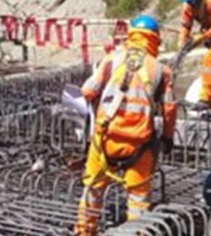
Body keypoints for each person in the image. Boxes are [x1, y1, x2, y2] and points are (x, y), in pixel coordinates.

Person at [75, 15, 176, 235]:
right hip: (139, 147)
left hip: (105, 142)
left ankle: (84, 231)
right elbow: (169, 109)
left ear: (130, 36)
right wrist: (168, 138)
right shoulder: (161, 70)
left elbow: (87, 91)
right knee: (138, 199)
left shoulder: (111, 60)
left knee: (93, 189)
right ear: (155, 40)